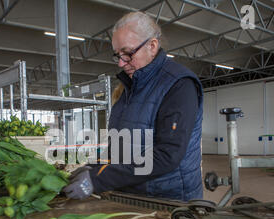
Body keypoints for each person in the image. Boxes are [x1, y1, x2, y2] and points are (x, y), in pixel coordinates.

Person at [63, 11, 204, 201]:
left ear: (152, 46)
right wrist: (96, 167)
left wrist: (98, 180)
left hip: (169, 202)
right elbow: (121, 145)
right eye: (117, 55)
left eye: (128, 53)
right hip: (132, 196)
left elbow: (167, 155)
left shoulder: (178, 85)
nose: (121, 63)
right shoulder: (130, 88)